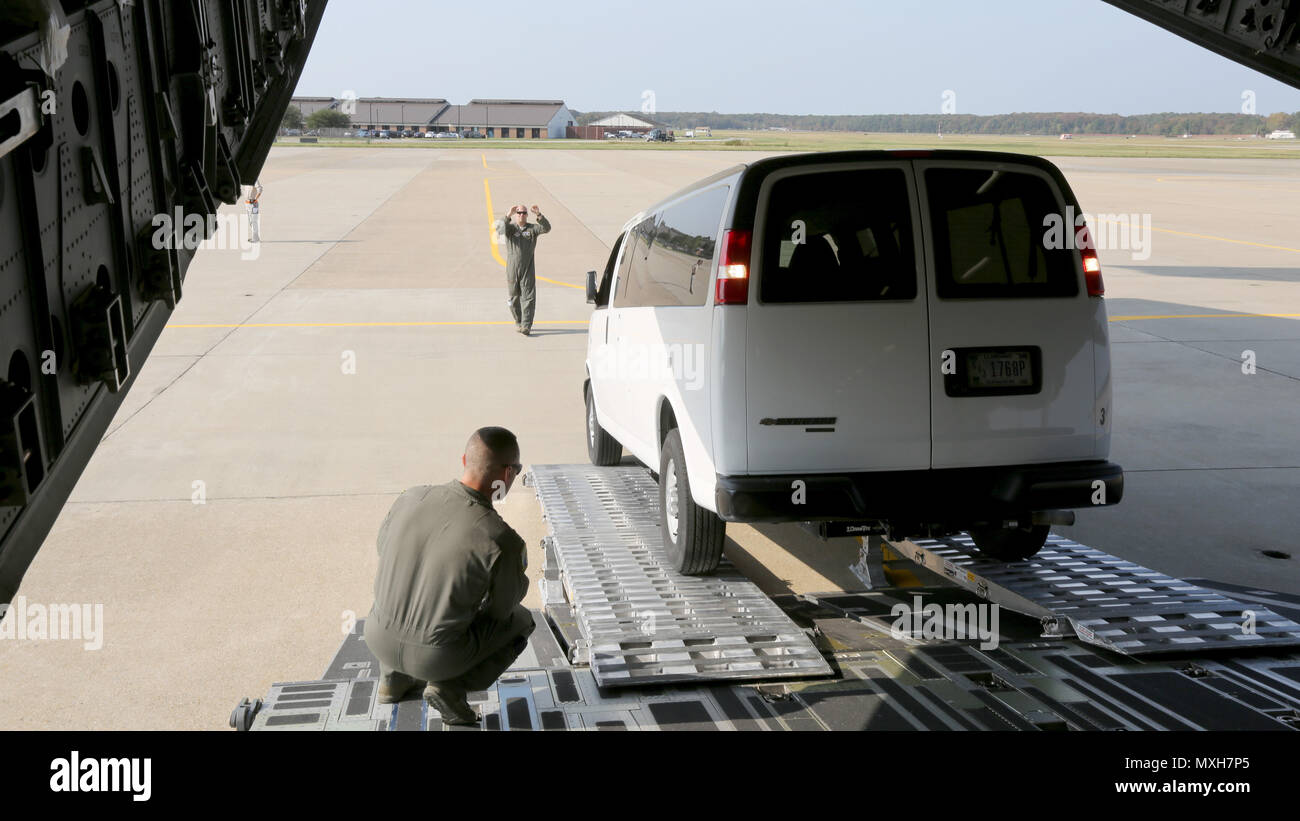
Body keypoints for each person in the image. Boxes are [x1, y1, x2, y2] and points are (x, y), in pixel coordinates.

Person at [363, 427, 534, 725]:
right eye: (516, 471)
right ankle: (449, 688)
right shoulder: (501, 539)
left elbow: (383, 549)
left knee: (407, 589)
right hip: (437, 660)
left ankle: (393, 680)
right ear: (506, 474)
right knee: (521, 620)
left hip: (376, 636)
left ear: (465, 459)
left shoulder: (411, 497)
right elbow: (501, 611)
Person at [500, 204, 551, 335]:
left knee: (528, 297)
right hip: (512, 268)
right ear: (516, 215)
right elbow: (499, 230)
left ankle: (526, 325)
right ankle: (518, 320)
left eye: (523, 213)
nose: (521, 215)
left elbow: (546, 228)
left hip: (527, 268)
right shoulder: (511, 229)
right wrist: (508, 215)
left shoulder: (532, 229)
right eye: (519, 213)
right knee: (513, 297)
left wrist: (539, 215)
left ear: (527, 215)